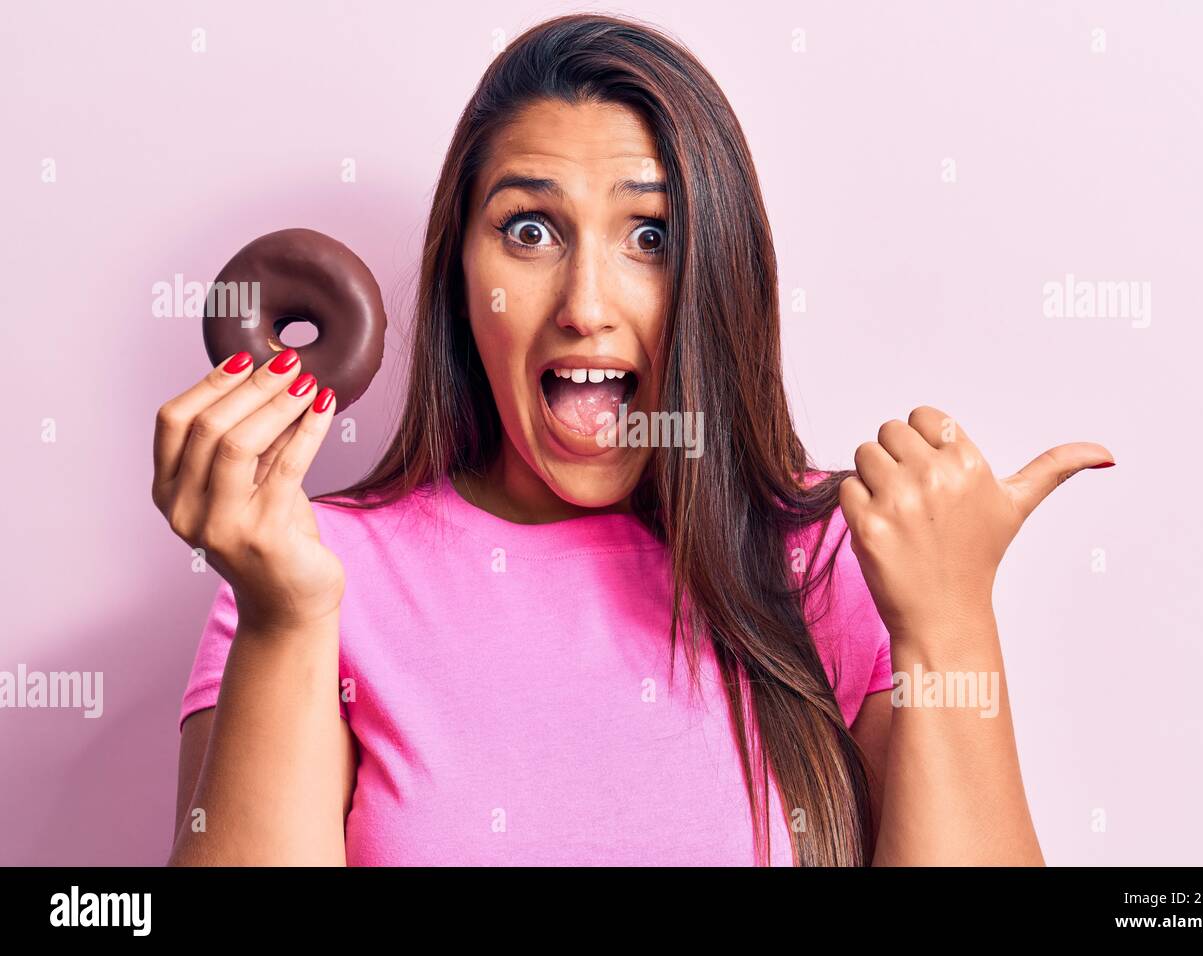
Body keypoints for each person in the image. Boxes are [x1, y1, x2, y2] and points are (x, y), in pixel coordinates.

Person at [154, 13, 1113, 866]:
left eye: (650, 236)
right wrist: (283, 618)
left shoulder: (840, 557)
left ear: (721, 273)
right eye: (529, 230)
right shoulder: (307, 575)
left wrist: (950, 625)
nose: (585, 307)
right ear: (459, 274)